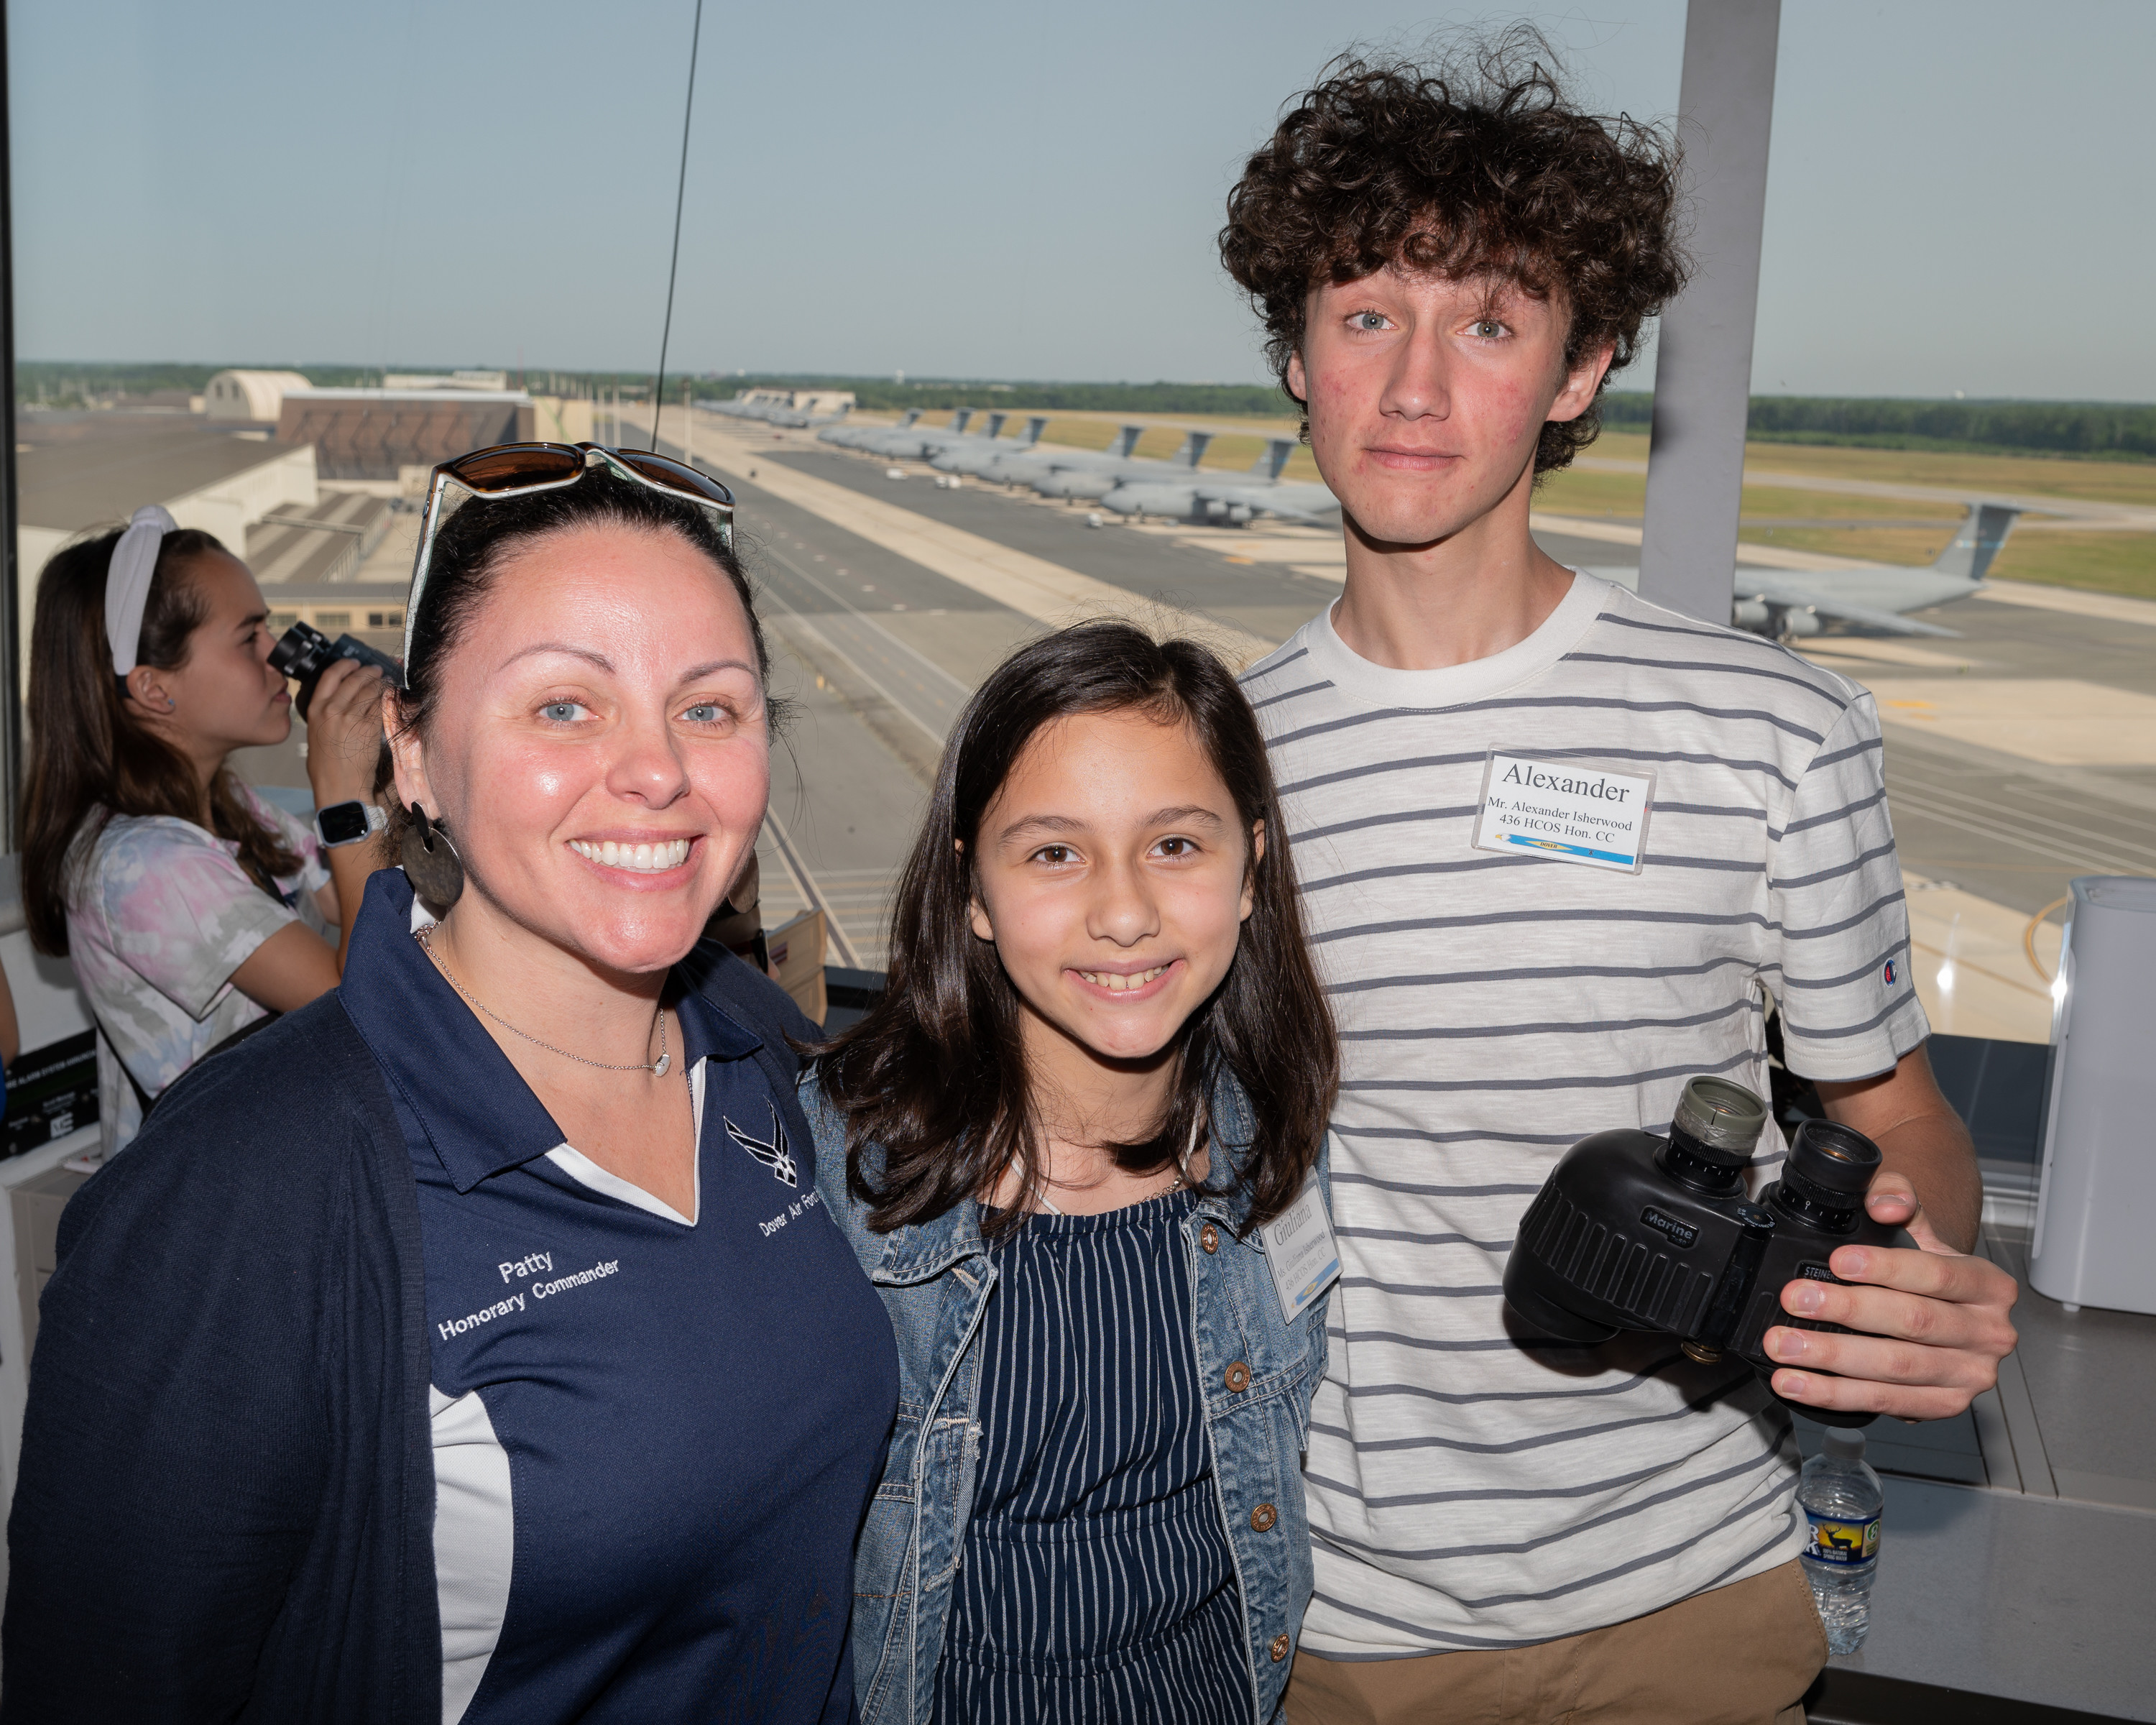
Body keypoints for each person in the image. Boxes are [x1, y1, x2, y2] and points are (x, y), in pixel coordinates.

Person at [1217, 45, 2021, 1724]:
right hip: (1316, 1620)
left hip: (1685, 1610)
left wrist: (1903, 1278)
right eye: (1365, 314)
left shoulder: (1771, 729)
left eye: (1491, 324)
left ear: (1582, 370)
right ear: (1296, 355)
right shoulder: (1205, 771)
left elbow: (1901, 1116)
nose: (1416, 387)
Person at [5, 444, 900, 1724]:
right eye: (562, 705)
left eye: (710, 707)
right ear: (411, 757)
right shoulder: (229, 1210)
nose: (658, 771)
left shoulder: (762, 1051)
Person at [807, 622, 1338, 1724]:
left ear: (1252, 867)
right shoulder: (831, 1180)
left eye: (1176, 846)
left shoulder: (1272, 1146)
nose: (1126, 912)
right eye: (1055, 852)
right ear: (973, 892)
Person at [19, 506, 388, 1154]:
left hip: (278, 1153)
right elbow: (364, 1004)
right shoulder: (144, 864)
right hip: (216, 1208)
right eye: (249, 639)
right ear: (155, 689)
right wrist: (343, 796)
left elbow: (356, 896)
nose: (279, 657)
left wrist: (395, 770)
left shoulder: (224, 806)